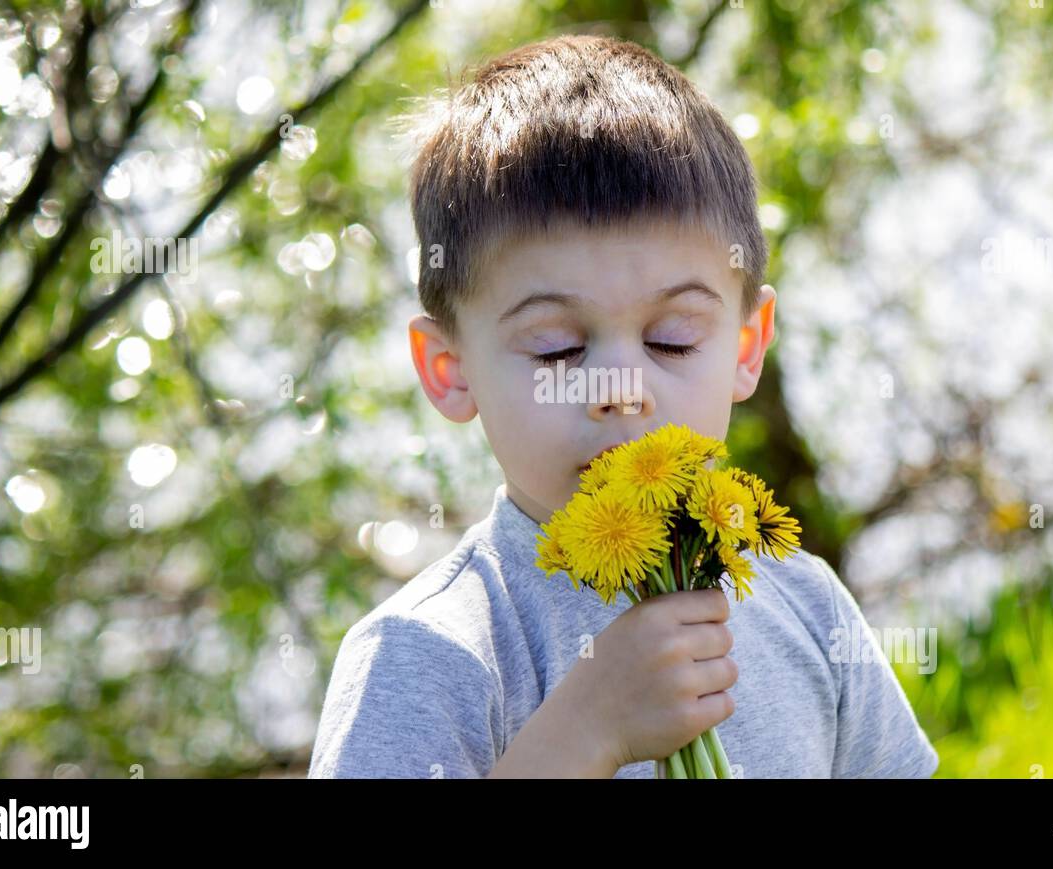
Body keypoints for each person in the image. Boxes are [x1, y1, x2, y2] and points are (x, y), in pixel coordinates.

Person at [309, 34, 938, 779]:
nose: (618, 386)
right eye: (555, 350)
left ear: (745, 347)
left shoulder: (806, 603)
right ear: (450, 370)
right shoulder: (430, 654)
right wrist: (581, 734)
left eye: (671, 340)